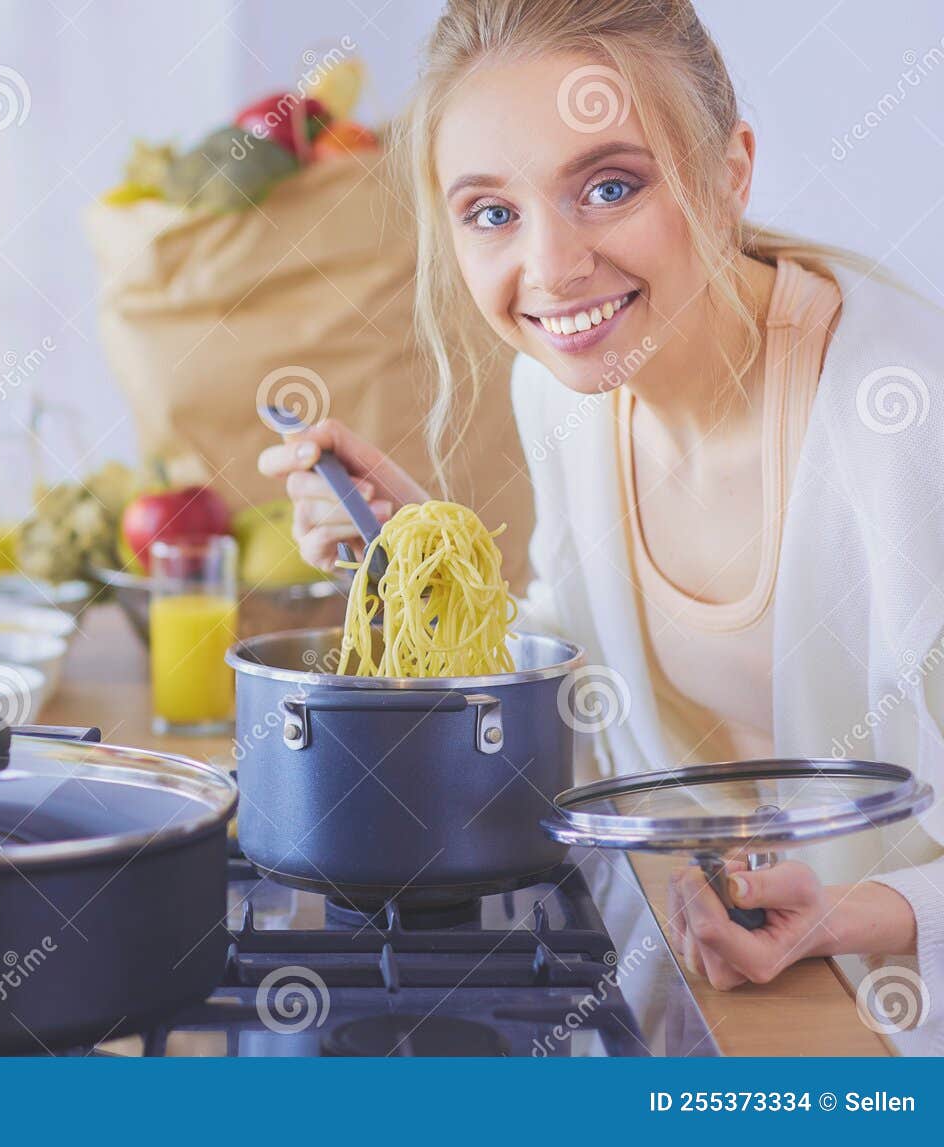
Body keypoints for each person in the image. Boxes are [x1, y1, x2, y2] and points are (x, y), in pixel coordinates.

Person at [257, 0, 944, 1036]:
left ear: (728, 174)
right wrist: (417, 559)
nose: (552, 269)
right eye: (491, 213)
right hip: (738, 980)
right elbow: (589, 700)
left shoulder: (900, 426)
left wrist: (853, 915)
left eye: (608, 187)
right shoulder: (567, 394)